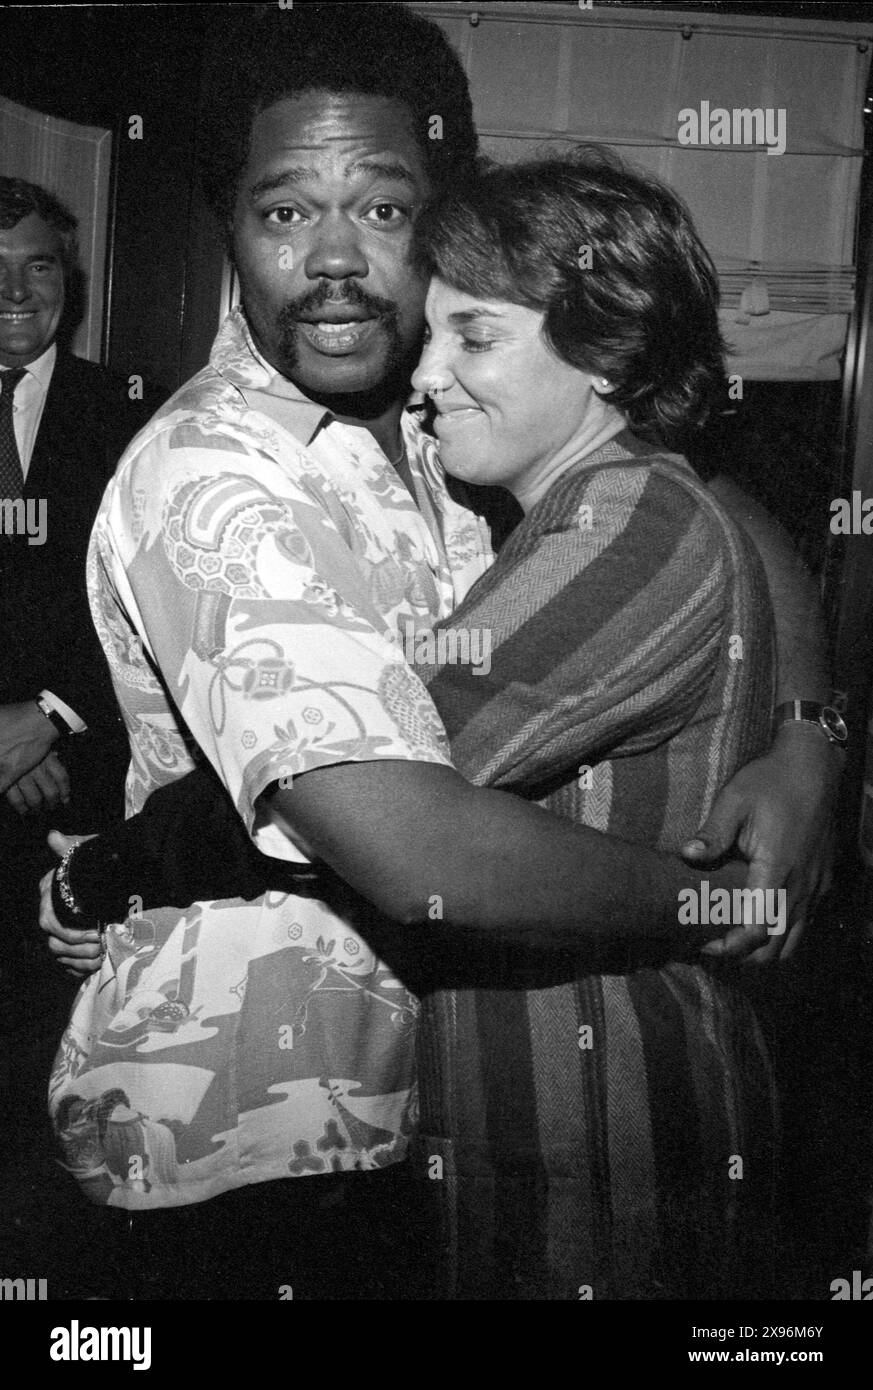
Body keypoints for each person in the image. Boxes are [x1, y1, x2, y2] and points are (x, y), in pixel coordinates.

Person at [38, 3, 841, 1299]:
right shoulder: (214, 482)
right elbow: (409, 838)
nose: (338, 260)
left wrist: (810, 731)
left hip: (455, 1103)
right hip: (250, 1110)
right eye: (287, 210)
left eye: (386, 209)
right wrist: (709, 902)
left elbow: (703, 505)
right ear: (229, 227)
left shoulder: (452, 397)